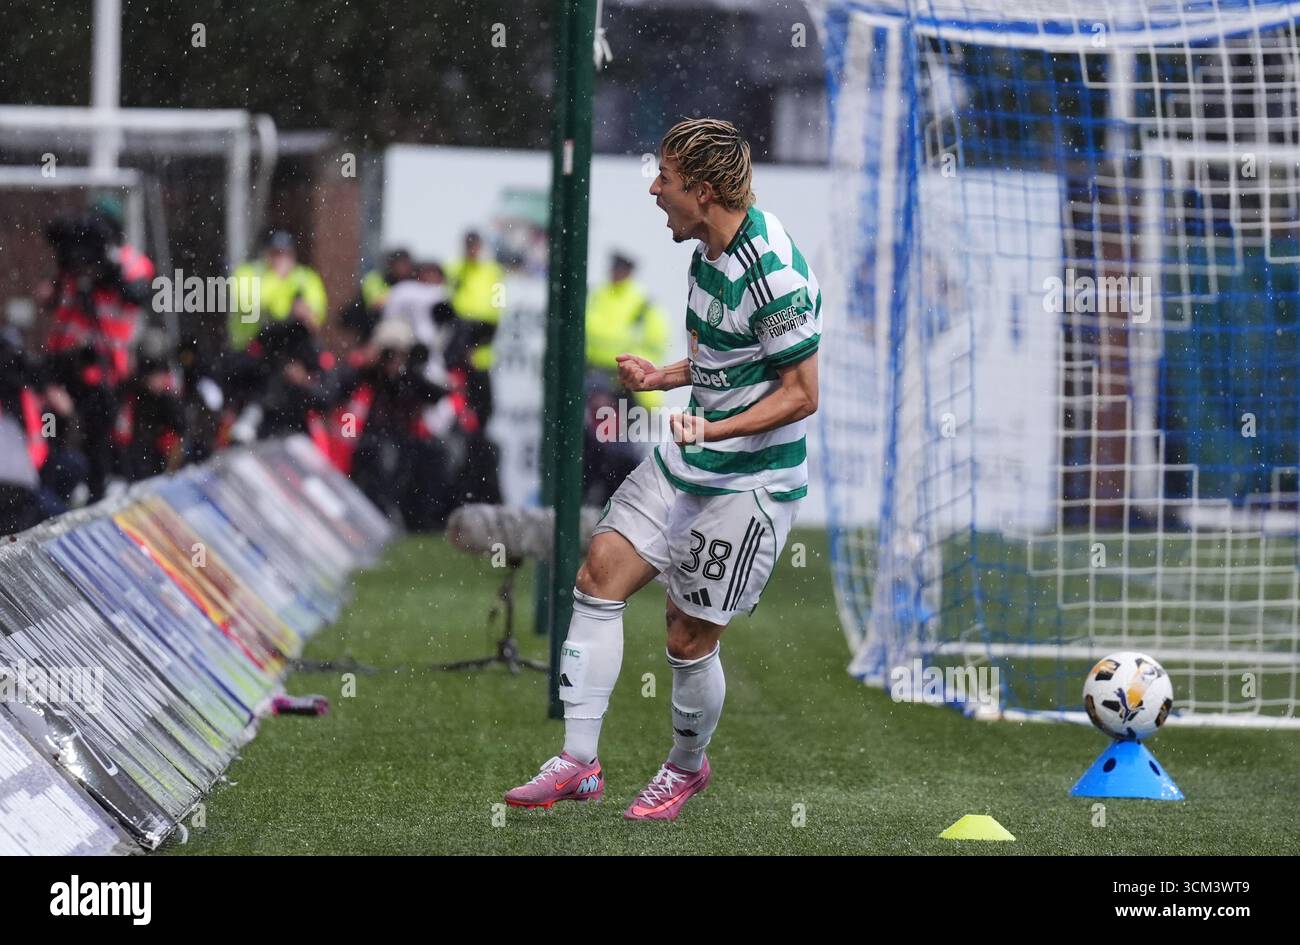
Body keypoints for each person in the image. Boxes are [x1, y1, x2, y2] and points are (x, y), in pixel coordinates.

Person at [504, 118, 823, 821]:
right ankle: (578, 761)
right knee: (599, 573)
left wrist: (712, 424)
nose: (655, 190)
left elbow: (801, 393)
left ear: (704, 191)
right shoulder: (706, 247)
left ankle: (684, 768)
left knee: (685, 634)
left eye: (667, 181)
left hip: (751, 482)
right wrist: (666, 374)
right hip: (690, 455)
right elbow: (730, 360)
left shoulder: (775, 272)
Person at [585, 252, 669, 409]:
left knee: (620, 426)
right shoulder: (596, 295)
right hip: (592, 374)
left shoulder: (643, 302)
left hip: (625, 380)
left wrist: (634, 365)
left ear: (629, 272)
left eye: (621, 269)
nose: (616, 273)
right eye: (614, 268)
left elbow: (656, 345)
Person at [227, 230, 328, 350]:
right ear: (265, 254)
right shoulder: (247, 273)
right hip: (249, 348)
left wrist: (305, 312)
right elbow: (248, 305)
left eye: (286, 254)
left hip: (291, 348)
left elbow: (317, 314)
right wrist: (276, 278)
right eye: (276, 254)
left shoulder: (304, 277)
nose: (281, 260)